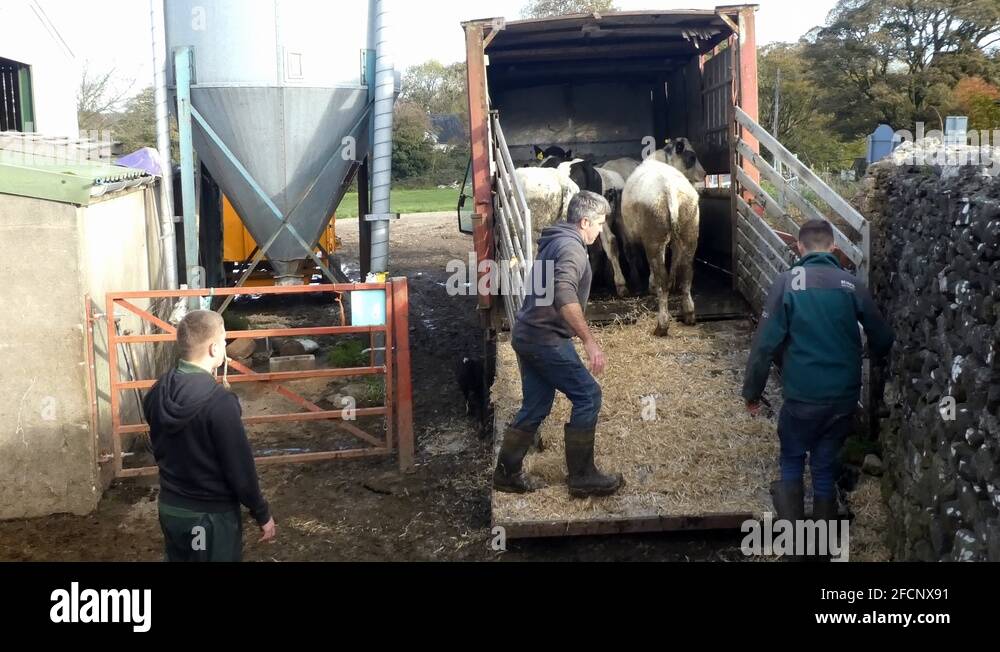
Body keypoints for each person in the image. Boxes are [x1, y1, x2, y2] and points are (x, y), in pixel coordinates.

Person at [742, 219, 894, 531]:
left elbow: (763, 347)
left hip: (802, 396)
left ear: (799, 247)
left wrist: (752, 394)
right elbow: (882, 337)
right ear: (833, 248)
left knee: (793, 458)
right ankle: (822, 548)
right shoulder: (850, 284)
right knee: (824, 465)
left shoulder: (787, 283)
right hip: (843, 398)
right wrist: (865, 358)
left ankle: (796, 545)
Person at [493, 190, 624, 498]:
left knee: (536, 404)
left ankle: (505, 474)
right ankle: (582, 477)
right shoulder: (571, 248)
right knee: (588, 395)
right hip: (545, 338)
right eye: (600, 223)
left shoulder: (554, 240)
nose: (601, 229)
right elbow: (563, 293)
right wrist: (589, 341)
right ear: (584, 221)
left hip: (527, 333)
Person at [143, 310, 276, 561]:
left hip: (171, 510)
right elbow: (240, 469)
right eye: (224, 341)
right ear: (214, 348)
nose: (225, 347)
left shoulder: (158, 390)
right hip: (210, 518)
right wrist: (261, 512)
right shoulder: (220, 403)